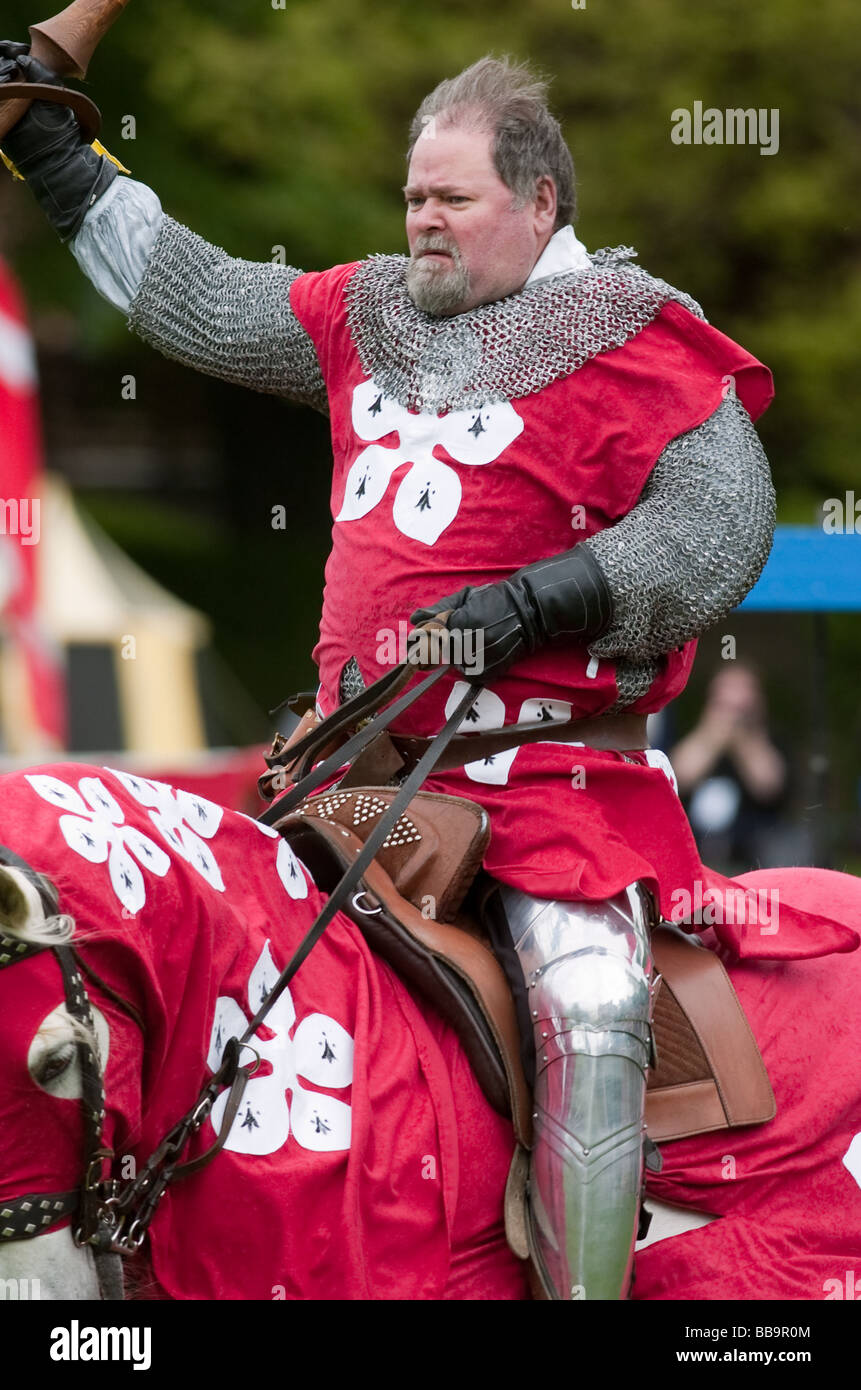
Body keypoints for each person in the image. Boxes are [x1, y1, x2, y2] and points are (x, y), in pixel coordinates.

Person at [3, 46, 853, 1302]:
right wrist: (56, 157)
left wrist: (554, 595)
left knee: (591, 1006)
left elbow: (712, 531)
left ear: (541, 203)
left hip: (547, 799)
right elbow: (193, 291)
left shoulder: (636, 344)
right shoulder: (371, 318)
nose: (421, 222)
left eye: (451, 200)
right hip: (346, 783)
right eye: (413, 198)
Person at [671, 662, 791, 874]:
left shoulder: (771, 742)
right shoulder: (698, 740)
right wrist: (711, 734)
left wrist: (744, 739)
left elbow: (768, 785)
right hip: (696, 856)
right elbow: (679, 777)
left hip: (755, 857)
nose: (731, 715)